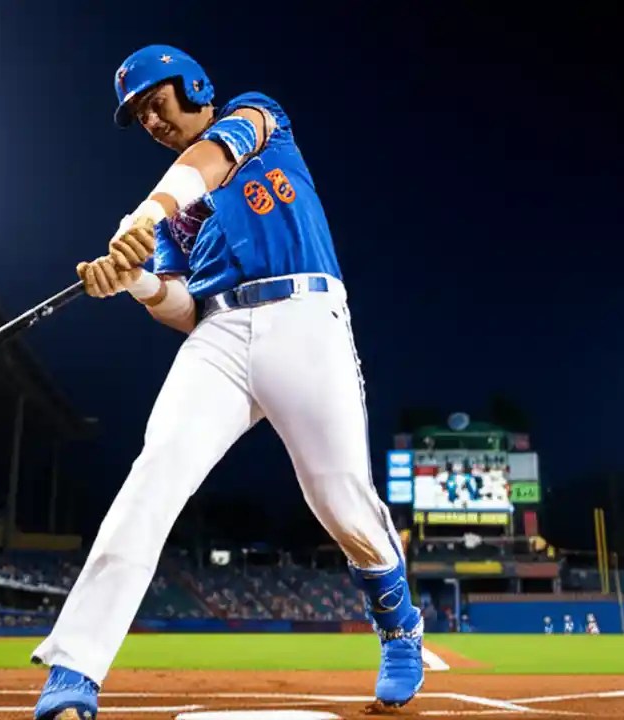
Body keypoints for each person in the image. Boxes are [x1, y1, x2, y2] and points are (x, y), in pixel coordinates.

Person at [30, 45, 424, 720]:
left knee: (339, 500)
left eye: (157, 102)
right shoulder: (168, 222)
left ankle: (398, 624)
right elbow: (181, 309)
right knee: (154, 476)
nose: (152, 121)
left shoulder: (255, 115)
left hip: (306, 317)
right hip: (218, 336)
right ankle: (75, 667)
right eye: (139, 116)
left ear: (195, 86)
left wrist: (143, 216)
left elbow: (210, 160)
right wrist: (136, 282)